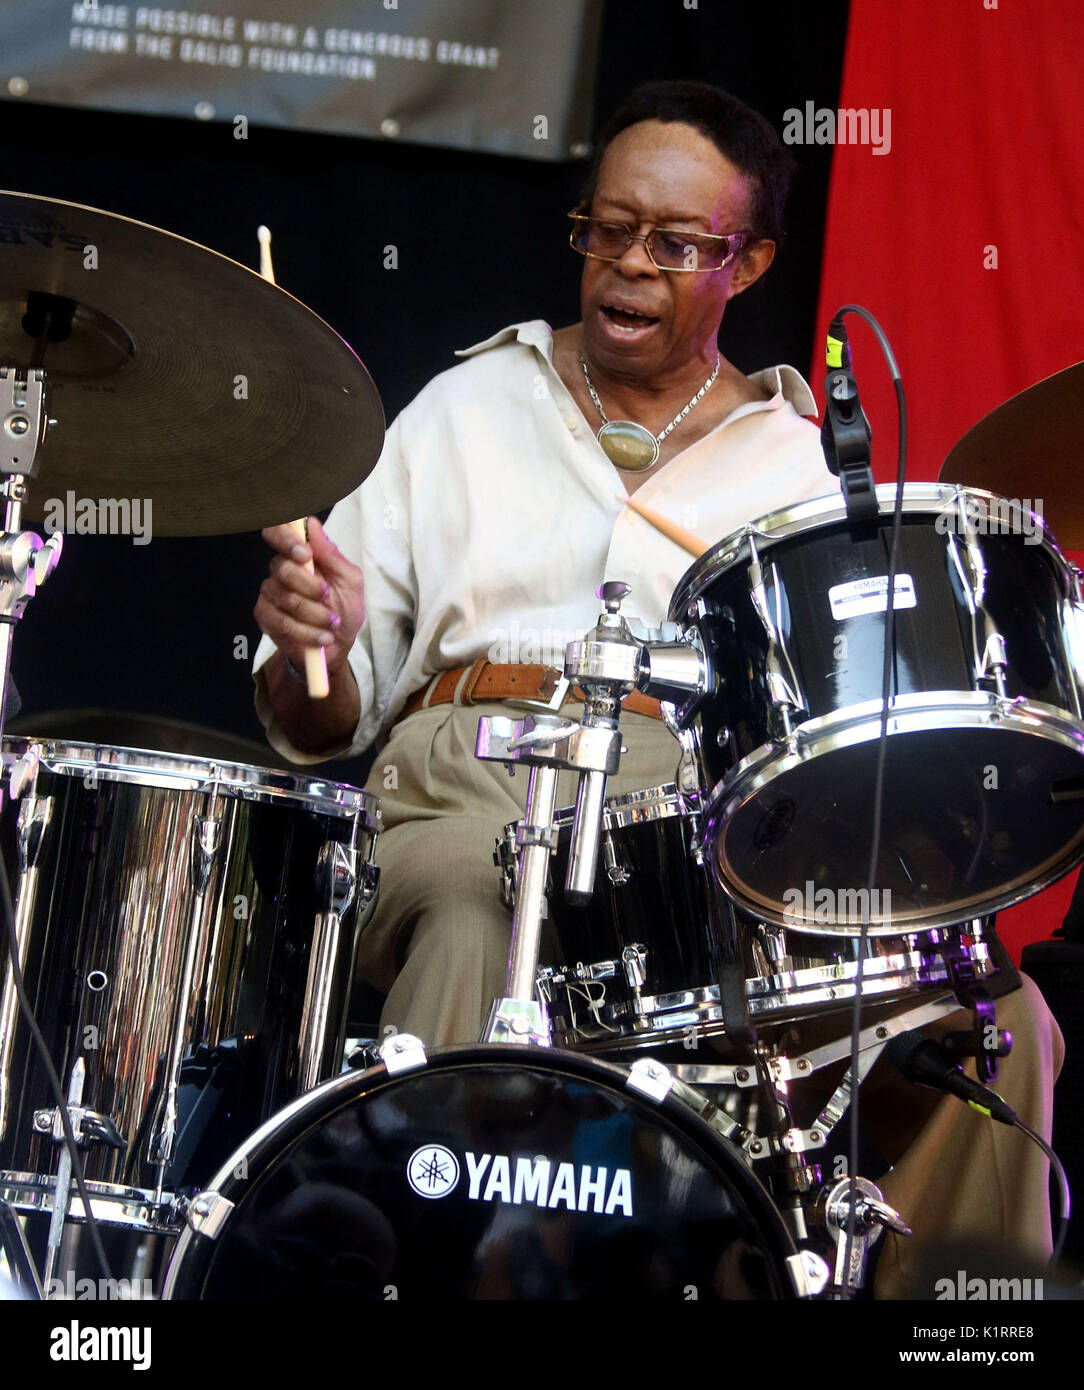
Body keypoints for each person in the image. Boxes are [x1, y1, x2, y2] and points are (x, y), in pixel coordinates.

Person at [252, 80, 1062, 1297]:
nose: (629, 267)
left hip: (695, 849)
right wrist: (314, 635)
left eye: (676, 244)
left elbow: (842, 732)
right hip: (470, 781)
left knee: (995, 1022)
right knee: (487, 911)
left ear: (748, 261)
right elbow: (323, 712)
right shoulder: (464, 408)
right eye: (607, 230)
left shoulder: (804, 464)